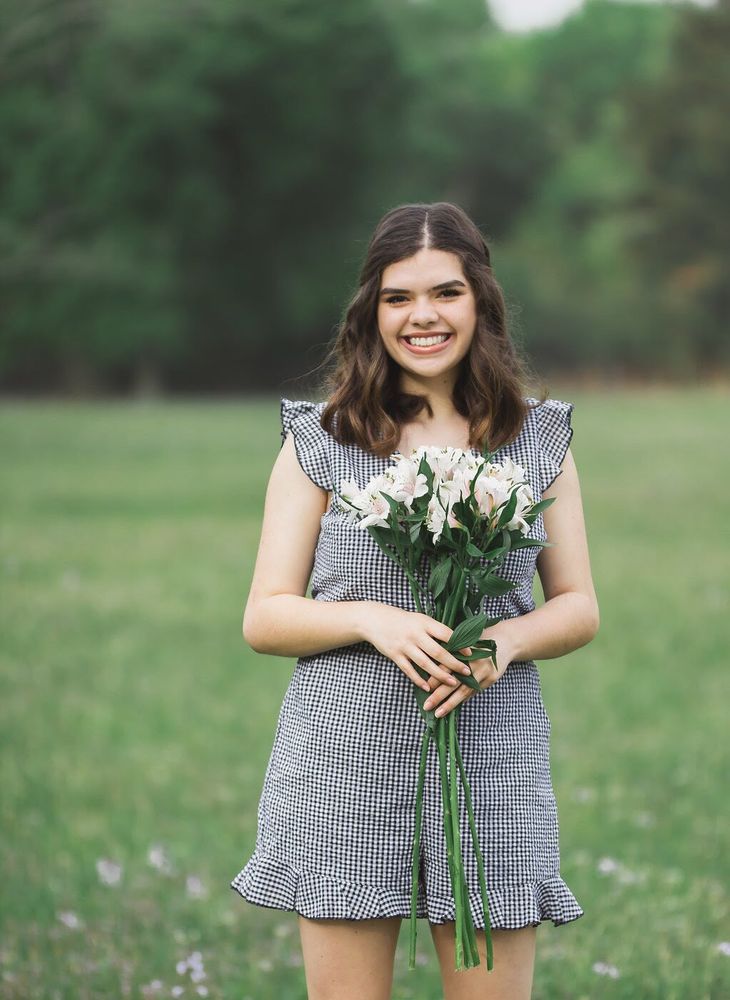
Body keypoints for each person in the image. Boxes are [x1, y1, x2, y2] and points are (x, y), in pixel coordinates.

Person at [230, 201, 600, 1000]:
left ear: (482, 304)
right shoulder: (322, 440)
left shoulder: (538, 441)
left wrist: (503, 642)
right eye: (398, 298)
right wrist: (372, 618)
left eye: (445, 293)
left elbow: (577, 606)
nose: (422, 316)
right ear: (372, 311)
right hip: (345, 755)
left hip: (491, 755)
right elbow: (265, 615)